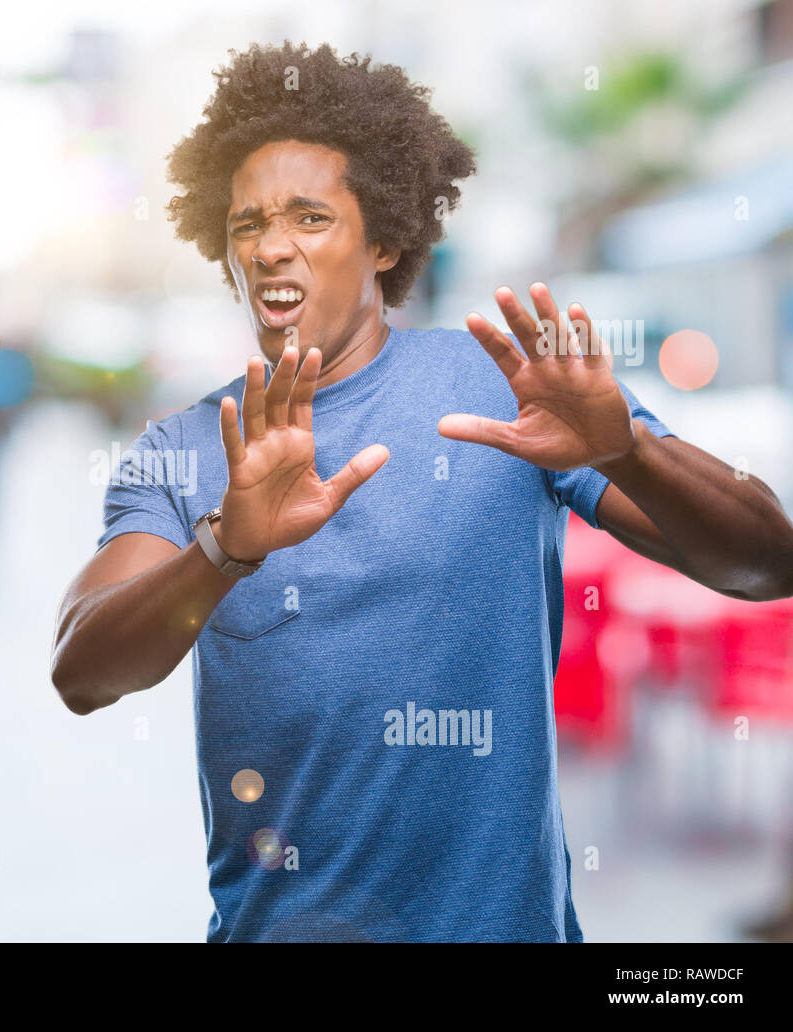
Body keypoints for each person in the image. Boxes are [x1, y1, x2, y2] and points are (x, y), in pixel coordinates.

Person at [49, 42, 793, 942]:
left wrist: (626, 452)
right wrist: (223, 551)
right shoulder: (182, 450)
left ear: (386, 240)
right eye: (247, 225)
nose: (273, 245)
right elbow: (81, 673)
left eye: (309, 216)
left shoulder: (505, 387)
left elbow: (768, 562)